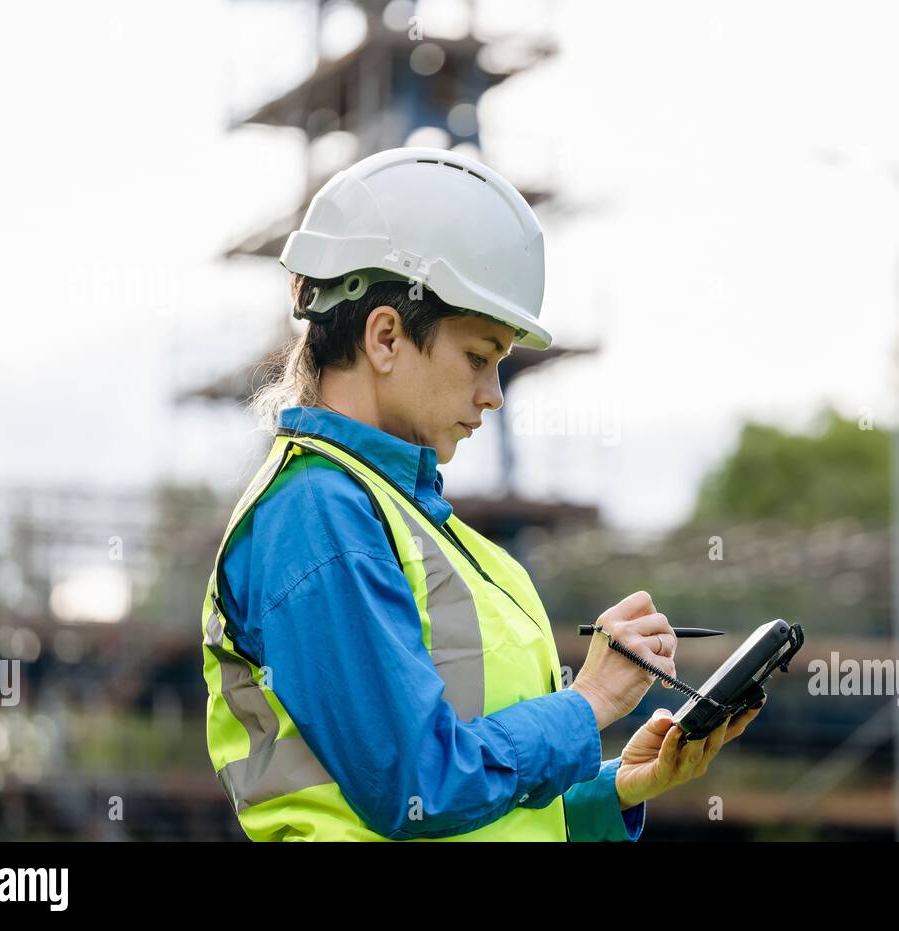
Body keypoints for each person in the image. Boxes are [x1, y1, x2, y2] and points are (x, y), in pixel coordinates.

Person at [200, 146, 765, 841]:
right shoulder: (316, 516)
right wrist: (585, 704)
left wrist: (608, 789)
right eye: (479, 356)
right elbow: (417, 781)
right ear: (385, 335)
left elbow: (472, 804)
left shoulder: (425, 531)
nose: (493, 394)